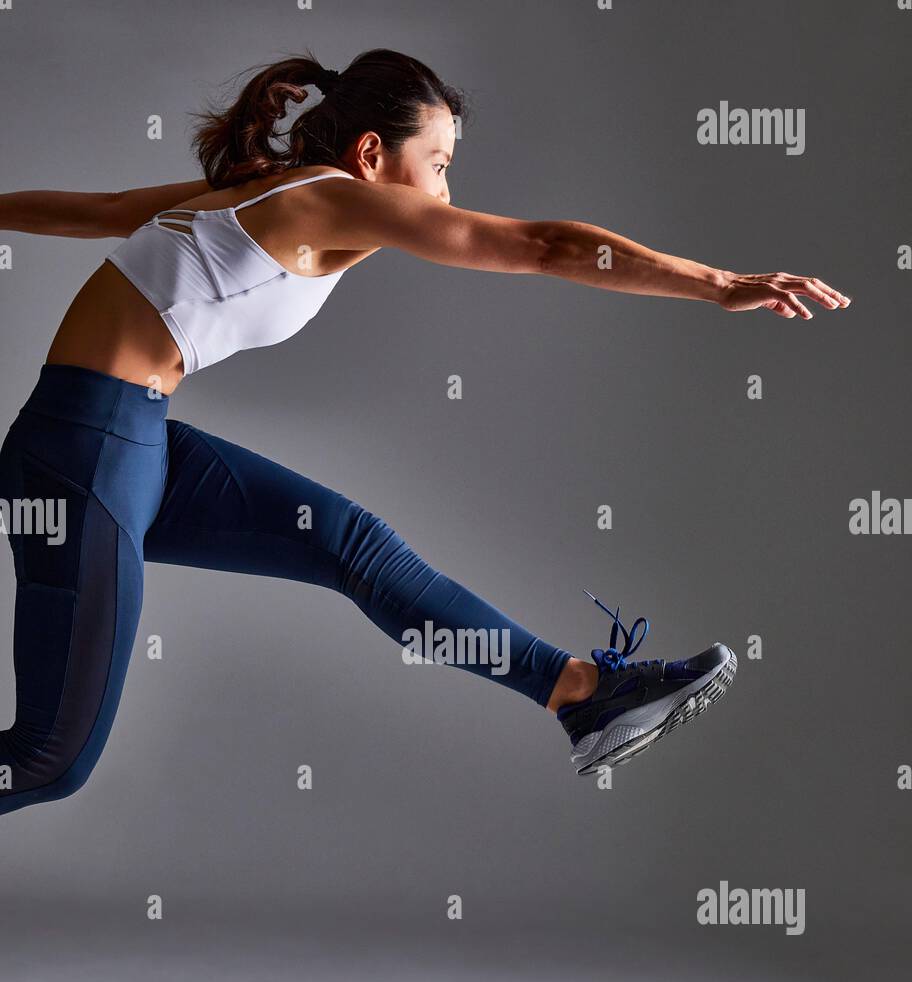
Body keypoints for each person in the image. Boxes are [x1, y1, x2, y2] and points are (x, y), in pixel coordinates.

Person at [0, 48, 850, 815]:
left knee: (348, 543)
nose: (445, 193)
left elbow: (97, 209)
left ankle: (580, 692)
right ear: (373, 155)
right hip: (86, 451)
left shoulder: (268, 194)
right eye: (437, 164)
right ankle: (582, 691)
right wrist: (718, 282)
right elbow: (546, 246)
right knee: (47, 759)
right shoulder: (326, 199)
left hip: (121, 440)